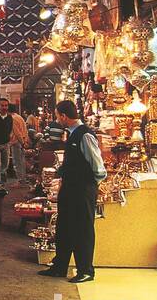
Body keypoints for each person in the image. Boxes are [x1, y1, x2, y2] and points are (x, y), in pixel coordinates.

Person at [38, 99, 107, 283]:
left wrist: (90, 185)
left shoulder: (85, 135)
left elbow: (98, 167)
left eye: (57, 116)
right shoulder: (72, 133)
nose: (57, 120)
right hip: (70, 189)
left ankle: (86, 271)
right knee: (65, 227)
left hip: (82, 189)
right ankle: (60, 266)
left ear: (63, 116)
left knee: (82, 229)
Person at [9, 104, 30, 187]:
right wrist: (25, 141)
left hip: (16, 142)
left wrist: (22, 142)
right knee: (21, 162)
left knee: (17, 162)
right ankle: (23, 179)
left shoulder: (12, 118)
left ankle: (20, 181)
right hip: (21, 141)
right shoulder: (19, 117)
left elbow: (17, 132)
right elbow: (25, 130)